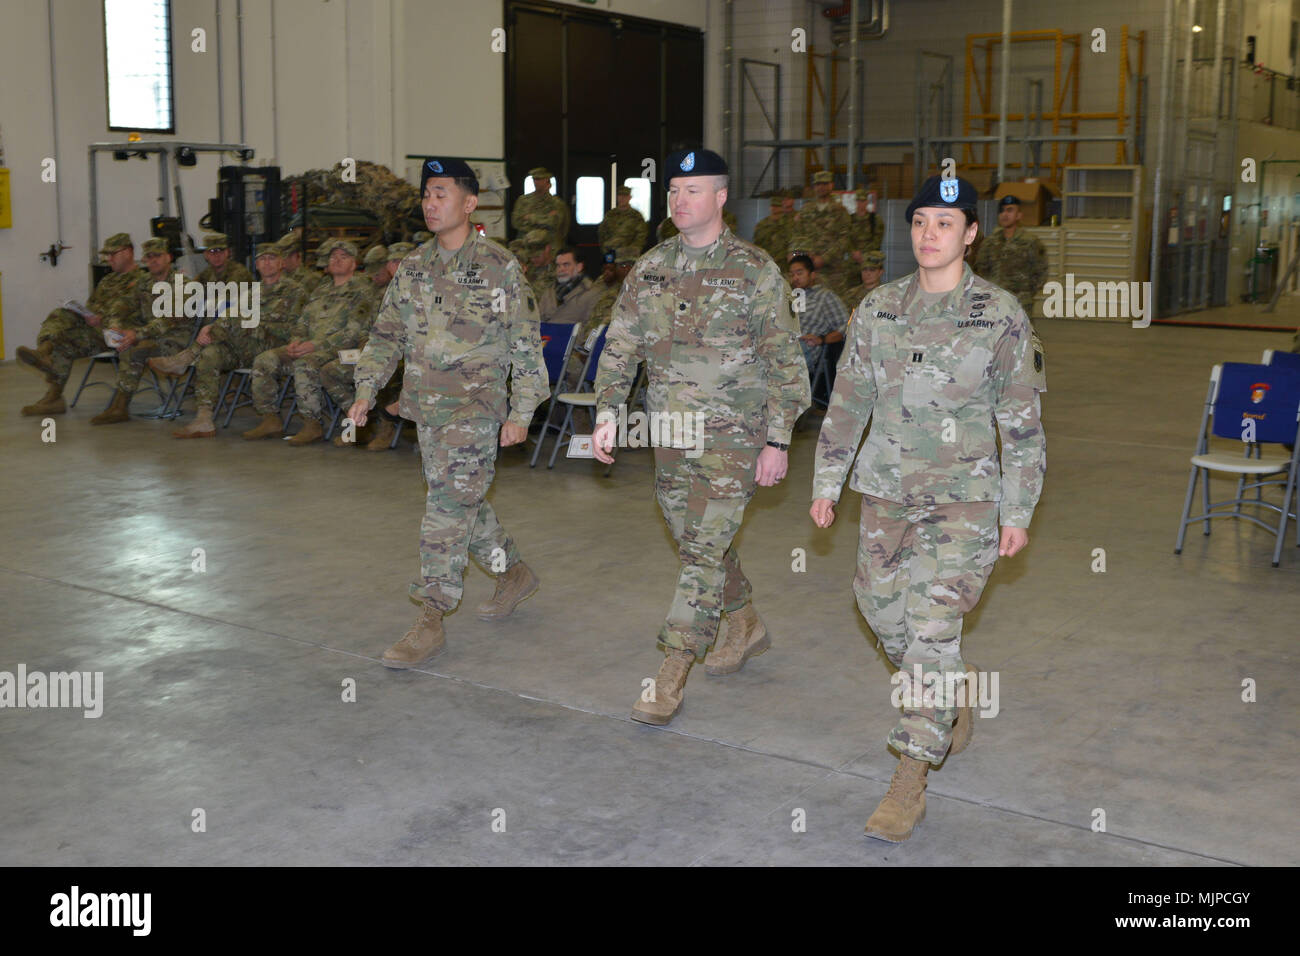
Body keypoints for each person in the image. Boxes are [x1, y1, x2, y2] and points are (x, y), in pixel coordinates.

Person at [810, 174, 1046, 843]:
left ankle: (910, 774)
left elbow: (1023, 422)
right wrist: (827, 483)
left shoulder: (1000, 315)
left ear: (971, 234)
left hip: (967, 502)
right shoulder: (879, 308)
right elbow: (848, 401)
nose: (929, 235)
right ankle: (949, 689)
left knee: (933, 628)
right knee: (882, 613)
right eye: (919, 222)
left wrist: (1018, 508)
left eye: (945, 223)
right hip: (887, 493)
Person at [592, 148, 810, 726]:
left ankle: (671, 671)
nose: (679, 200)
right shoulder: (652, 267)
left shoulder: (755, 270)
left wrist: (779, 439)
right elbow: (619, 345)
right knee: (696, 540)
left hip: (734, 437)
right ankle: (744, 618)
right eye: (673, 190)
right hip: (669, 432)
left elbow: (786, 360)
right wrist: (608, 410)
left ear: (720, 198)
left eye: (693, 190)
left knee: (700, 553)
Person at [347, 156, 548, 666]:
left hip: (476, 411)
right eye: (426, 195)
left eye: (441, 193)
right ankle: (513, 572)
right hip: (426, 411)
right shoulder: (413, 267)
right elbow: (386, 334)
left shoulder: (500, 267)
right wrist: (366, 389)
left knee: (444, 512)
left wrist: (522, 411)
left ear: (470, 202)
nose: (431, 204)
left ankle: (430, 616)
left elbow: (525, 344)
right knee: (461, 503)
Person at [156, 242, 307, 438]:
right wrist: (212, 327)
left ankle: (186, 357)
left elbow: (294, 329)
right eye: (262, 259)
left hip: (275, 344)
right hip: (245, 345)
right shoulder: (253, 291)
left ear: (281, 264)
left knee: (233, 318)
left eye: (272, 259)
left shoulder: (295, 291)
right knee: (211, 353)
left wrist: (250, 324)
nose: (267, 263)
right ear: (257, 265)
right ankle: (204, 419)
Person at [241, 239, 372, 444]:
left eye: (343, 257)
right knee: (265, 360)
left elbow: (352, 333)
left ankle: (312, 424)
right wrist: (295, 341)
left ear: (354, 264)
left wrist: (313, 346)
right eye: (333, 256)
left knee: (306, 363)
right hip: (309, 346)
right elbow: (302, 321)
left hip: (342, 349)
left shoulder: (362, 292)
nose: (336, 260)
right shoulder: (321, 290)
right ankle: (270, 419)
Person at [16, 232, 145, 416]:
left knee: (65, 338)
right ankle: (46, 361)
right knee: (61, 316)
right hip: (95, 331)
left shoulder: (142, 280)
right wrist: (87, 315)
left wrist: (102, 319)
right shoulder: (108, 280)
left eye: (112, 254)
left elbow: (139, 314)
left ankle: (49, 369)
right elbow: (92, 306)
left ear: (129, 252)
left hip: (120, 335)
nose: (108, 259)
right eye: (106, 255)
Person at [90, 237, 191, 425]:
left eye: (158, 256)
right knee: (129, 344)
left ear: (168, 257)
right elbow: (123, 304)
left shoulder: (182, 284)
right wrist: (114, 324)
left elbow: (169, 320)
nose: (153, 260)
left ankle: (120, 406)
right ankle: (119, 405)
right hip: (152, 336)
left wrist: (137, 334)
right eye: (149, 256)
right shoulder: (143, 282)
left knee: (135, 347)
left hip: (176, 340)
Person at [975, 194, 1049, 318]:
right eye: (1002, 211)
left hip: (1020, 303)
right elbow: (980, 269)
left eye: (1010, 210)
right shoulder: (990, 242)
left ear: (1019, 215)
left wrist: (1026, 293)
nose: (1005, 214)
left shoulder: (1030, 242)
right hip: (995, 302)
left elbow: (1041, 271)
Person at [791, 171, 854, 301]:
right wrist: (805, 256)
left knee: (835, 303)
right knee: (806, 305)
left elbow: (845, 239)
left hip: (833, 271)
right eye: (818, 184)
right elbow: (797, 236)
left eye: (825, 184)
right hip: (808, 269)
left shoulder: (840, 211)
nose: (821, 187)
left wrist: (824, 258)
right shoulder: (806, 210)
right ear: (814, 187)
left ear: (831, 185)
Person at [787, 253, 849, 375]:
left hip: (803, 350)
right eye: (792, 275)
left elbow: (847, 326)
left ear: (813, 275)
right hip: (785, 343)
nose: (795, 278)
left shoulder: (825, 296)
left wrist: (822, 339)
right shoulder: (791, 296)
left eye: (799, 273)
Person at [537, 247, 601, 327]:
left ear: (579, 267)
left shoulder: (592, 293)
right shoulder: (549, 292)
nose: (561, 269)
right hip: (545, 338)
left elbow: (592, 329)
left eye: (566, 265)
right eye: (558, 266)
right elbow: (537, 321)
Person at [511, 166, 569, 251]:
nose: (536, 182)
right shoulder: (523, 201)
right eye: (534, 179)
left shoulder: (557, 203)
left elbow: (558, 225)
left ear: (547, 180)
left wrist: (531, 218)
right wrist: (546, 219)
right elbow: (516, 222)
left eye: (539, 179)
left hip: (549, 248)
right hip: (527, 247)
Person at [598, 185, 648, 253]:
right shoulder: (610, 214)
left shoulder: (636, 216)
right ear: (617, 197)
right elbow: (602, 232)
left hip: (629, 254)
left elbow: (642, 236)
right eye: (620, 195)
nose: (622, 198)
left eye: (625, 196)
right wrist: (605, 248)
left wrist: (633, 249)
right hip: (611, 251)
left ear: (630, 197)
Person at [752, 194, 791, 264]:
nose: (774, 208)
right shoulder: (762, 225)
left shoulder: (790, 224)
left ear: (783, 207)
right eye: (773, 206)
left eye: (778, 206)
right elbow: (757, 245)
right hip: (766, 262)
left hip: (785, 263)